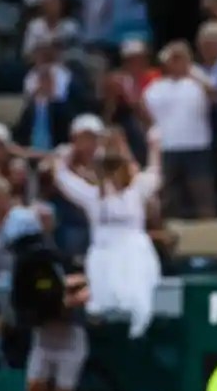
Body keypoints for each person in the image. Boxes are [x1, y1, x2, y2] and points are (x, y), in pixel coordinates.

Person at [50, 128, 162, 339]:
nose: (113, 173)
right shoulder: (93, 197)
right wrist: (61, 159)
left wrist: (154, 147)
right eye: (108, 168)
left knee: (133, 267)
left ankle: (136, 314)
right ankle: (104, 311)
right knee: (103, 269)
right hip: (103, 252)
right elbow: (63, 180)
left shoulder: (136, 191)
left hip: (133, 251)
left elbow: (155, 173)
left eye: (116, 167)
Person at [5, 207, 90, 391]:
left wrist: (69, 300)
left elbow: (83, 287)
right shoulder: (23, 269)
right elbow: (22, 306)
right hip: (43, 338)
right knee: (35, 390)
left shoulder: (59, 260)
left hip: (70, 338)